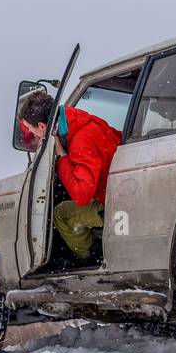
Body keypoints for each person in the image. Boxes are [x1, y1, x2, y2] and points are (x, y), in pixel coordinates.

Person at [17, 94, 121, 261]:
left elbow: (81, 196)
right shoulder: (80, 120)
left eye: (31, 129)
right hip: (118, 191)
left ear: (43, 126)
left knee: (61, 214)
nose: (31, 133)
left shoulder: (80, 140)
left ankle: (89, 259)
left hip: (111, 204)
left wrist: (62, 157)